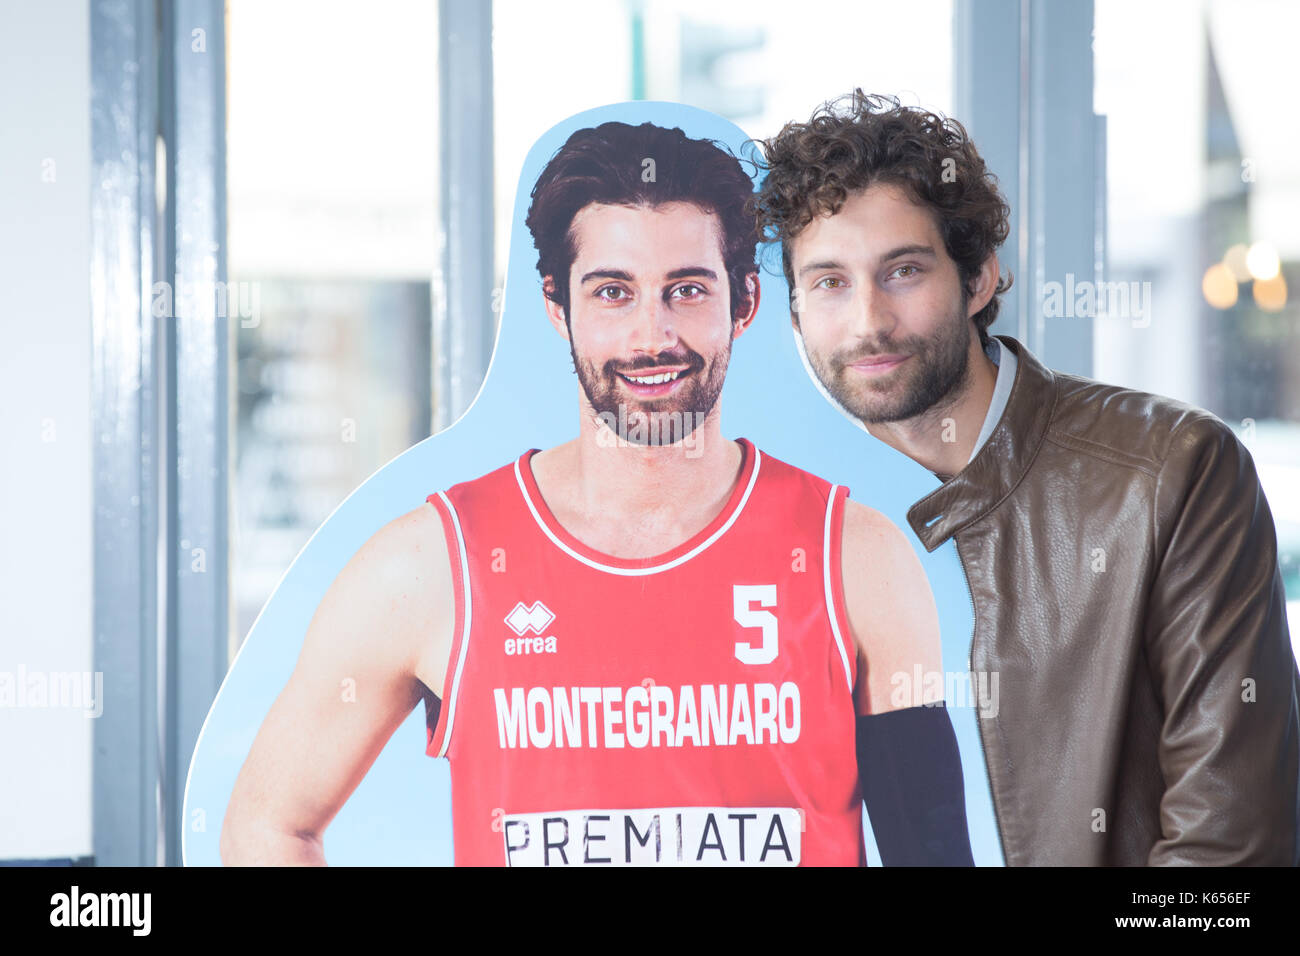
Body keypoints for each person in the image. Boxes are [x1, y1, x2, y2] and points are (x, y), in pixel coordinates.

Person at [220, 119, 973, 867]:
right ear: (558, 307)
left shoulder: (854, 557)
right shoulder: (430, 568)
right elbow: (267, 827)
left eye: (687, 290)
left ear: (743, 304)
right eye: (613, 292)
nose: (652, 335)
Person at [751, 89, 1300, 865]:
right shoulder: (771, 516)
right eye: (829, 282)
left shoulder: (1172, 474)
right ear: (797, 309)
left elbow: (1230, 864)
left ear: (978, 280)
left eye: (903, 271)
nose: (867, 321)